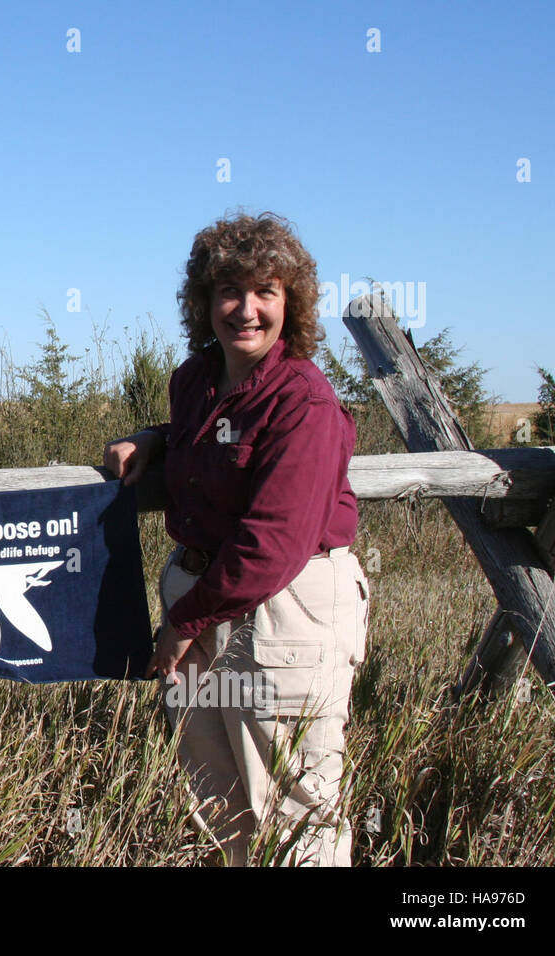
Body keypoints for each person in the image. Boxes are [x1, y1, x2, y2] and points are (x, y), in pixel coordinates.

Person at [104, 212, 368, 866]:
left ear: (292, 302)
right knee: (220, 809)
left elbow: (273, 542)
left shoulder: (302, 399)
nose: (245, 309)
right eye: (228, 290)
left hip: (283, 612)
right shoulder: (196, 380)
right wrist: (155, 439)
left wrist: (182, 623)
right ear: (202, 301)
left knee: (294, 814)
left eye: (265, 292)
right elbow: (210, 436)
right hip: (203, 598)